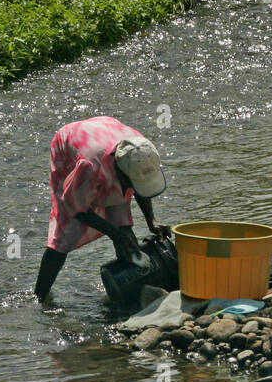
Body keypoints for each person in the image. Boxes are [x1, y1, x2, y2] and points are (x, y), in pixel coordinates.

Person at [34, 116, 171, 299]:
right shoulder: (89, 167)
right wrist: (113, 233)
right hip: (72, 143)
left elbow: (140, 186)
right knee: (66, 233)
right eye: (130, 182)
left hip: (106, 131)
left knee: (123, 225)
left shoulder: (142, 151)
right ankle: (40, 298)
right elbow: (74, 207)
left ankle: (132, 288)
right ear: (121, 175)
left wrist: (151, 221)